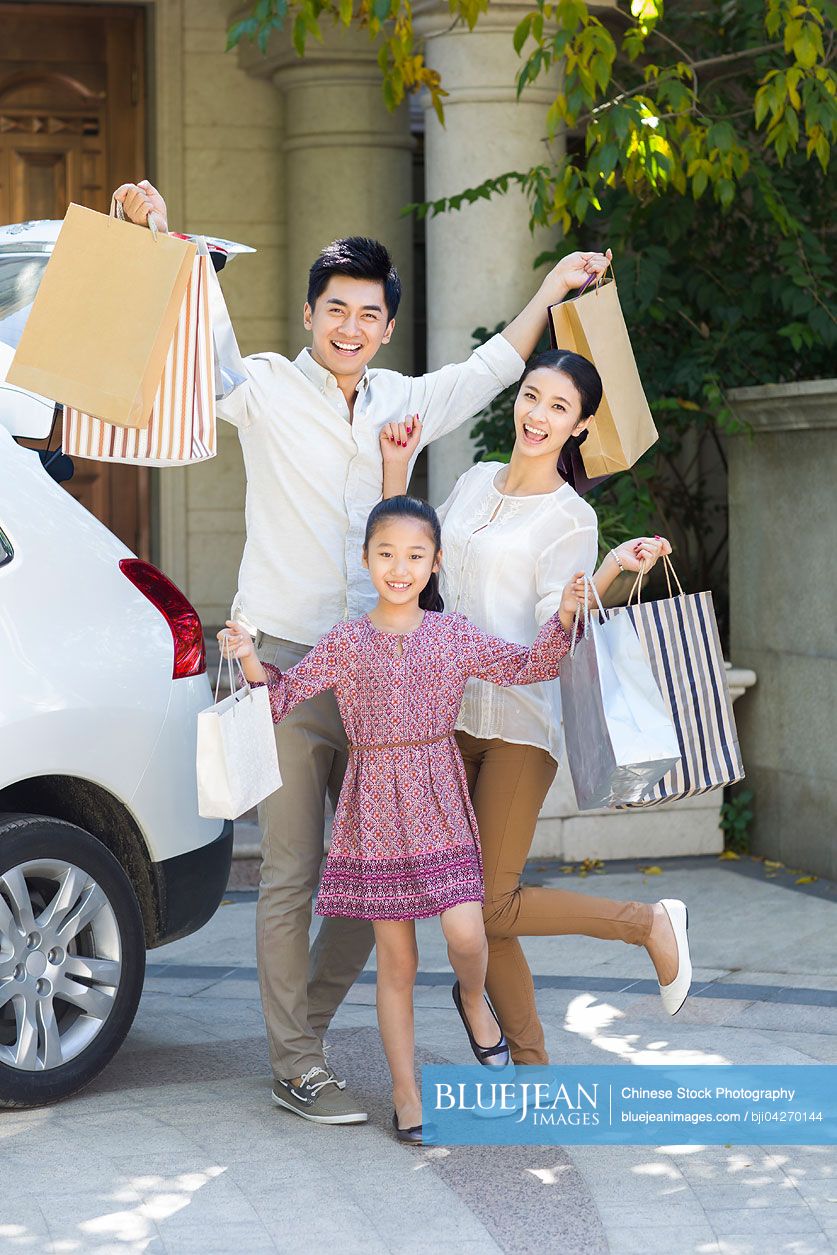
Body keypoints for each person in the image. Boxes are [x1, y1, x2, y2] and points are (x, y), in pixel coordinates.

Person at [113, 178, 612, 1124]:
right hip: (292, 659)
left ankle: (294, 1030)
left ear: (385, 327)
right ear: (309, 315)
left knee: (368, 884)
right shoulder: (261, 387)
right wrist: (154, 234)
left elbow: (496, 366)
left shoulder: (404, 398)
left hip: (393, 667)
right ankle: (297, 1062)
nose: (349, 325)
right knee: (294, 869)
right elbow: (194, 343)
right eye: (333, 308)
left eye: (367, 313)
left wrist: (549, 292)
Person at [219, 495, 587, 1141]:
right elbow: (280, 699)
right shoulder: (345, 643)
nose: (399, 566)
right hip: (375, 811)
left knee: (467, 934)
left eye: (414, 555)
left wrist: (564, 612)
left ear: (435, 563)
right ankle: (405, 1091)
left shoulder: (452, 633)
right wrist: (247, 653)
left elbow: (533, 665)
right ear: (366, 560)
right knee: (396, 963)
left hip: (439, 801)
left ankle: (472, 999)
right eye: (386, 553)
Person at [381, 348, 692, 1066]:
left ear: (580, 426)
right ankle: (531, 1067)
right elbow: (421, 563)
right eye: (531, 397)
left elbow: (561, 607)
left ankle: (646, 922)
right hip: (446, 714)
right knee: (474, 909)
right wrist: (396, 474)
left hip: (519, 720)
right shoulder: (472, 481)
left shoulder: (568, 517)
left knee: (490, 902)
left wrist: (608, 571)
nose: (538, 415)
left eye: (559, 407)